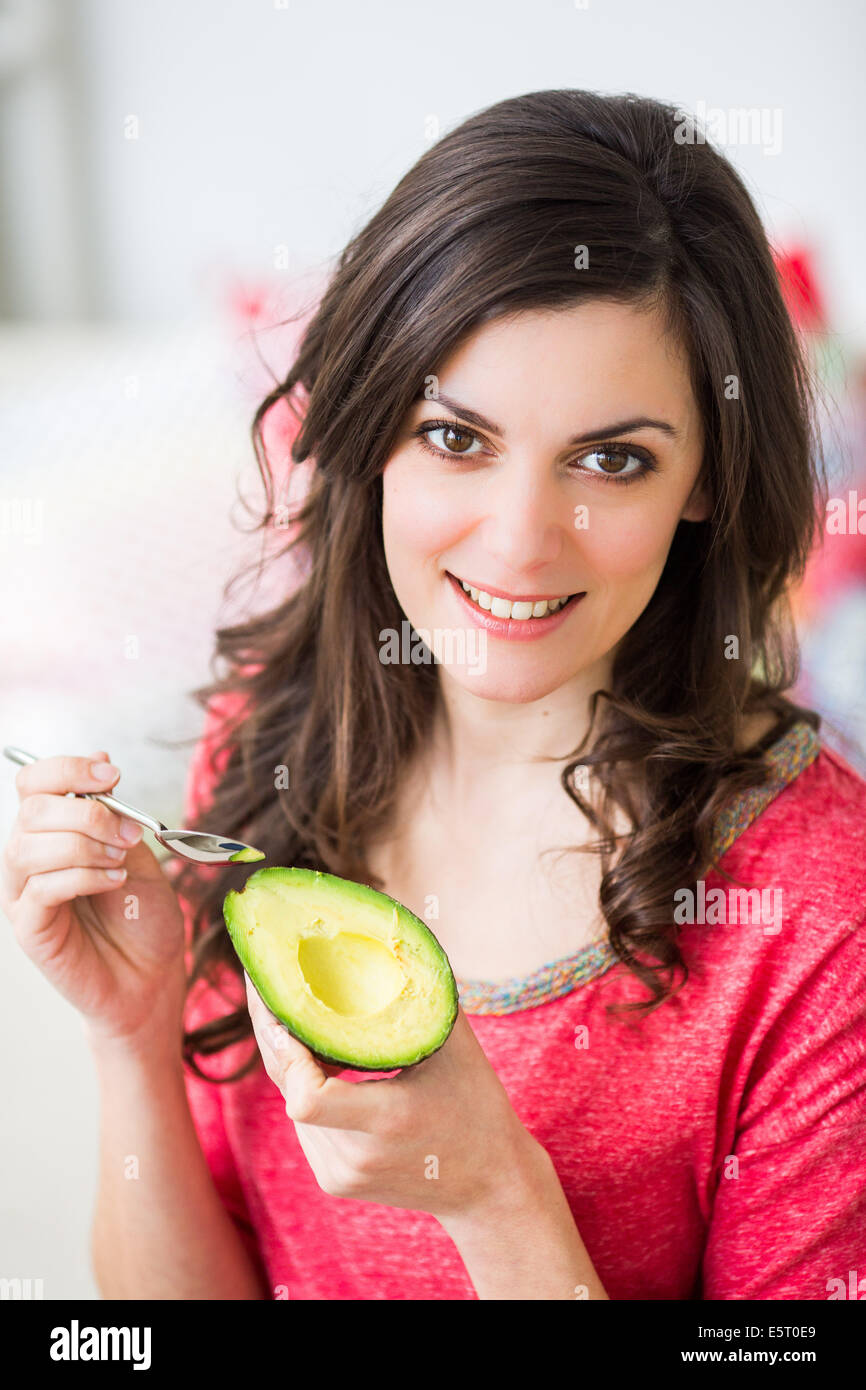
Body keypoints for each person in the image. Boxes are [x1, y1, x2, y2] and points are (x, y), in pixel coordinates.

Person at [3, 89, 865, 1301]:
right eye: (456, 438)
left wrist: (495, 1195)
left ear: (706, 481)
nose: (517, 546)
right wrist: (131, 1037)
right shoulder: (266, 744)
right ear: (373, 431)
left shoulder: (821, 914)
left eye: (610, 459)